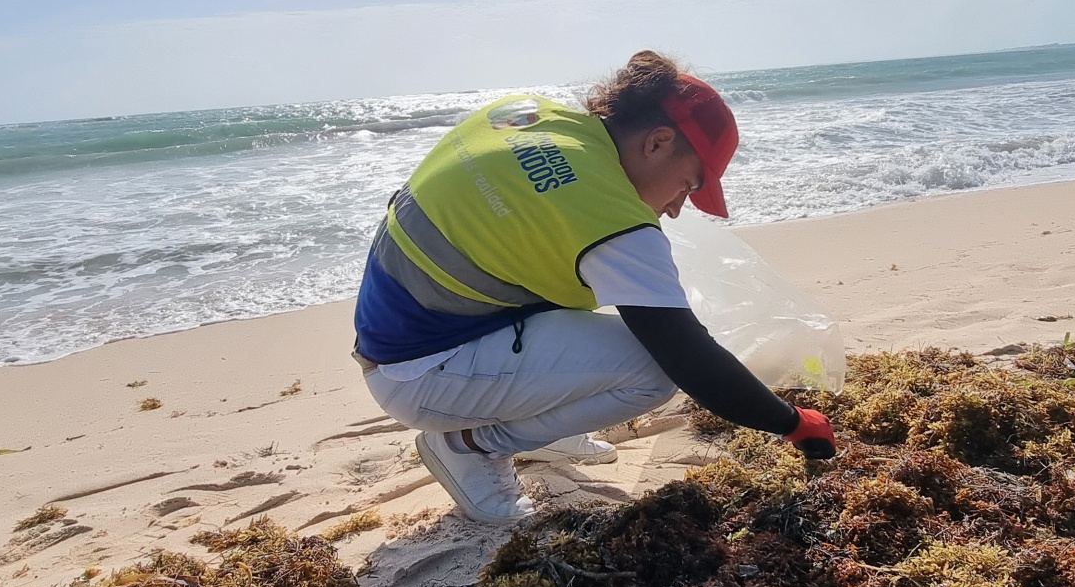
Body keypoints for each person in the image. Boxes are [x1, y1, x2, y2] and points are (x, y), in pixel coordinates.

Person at [351, 50, 838, 523]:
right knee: (652, 371)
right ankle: (471, 445)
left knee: (602, 304)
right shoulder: (611, 220)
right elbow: (688, 358)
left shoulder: (530, 113)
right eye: (689, 185)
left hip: (396, 331)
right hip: (421, 374)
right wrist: (792, 422)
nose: (676, 208)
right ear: (658, 142)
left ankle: (539, 426)